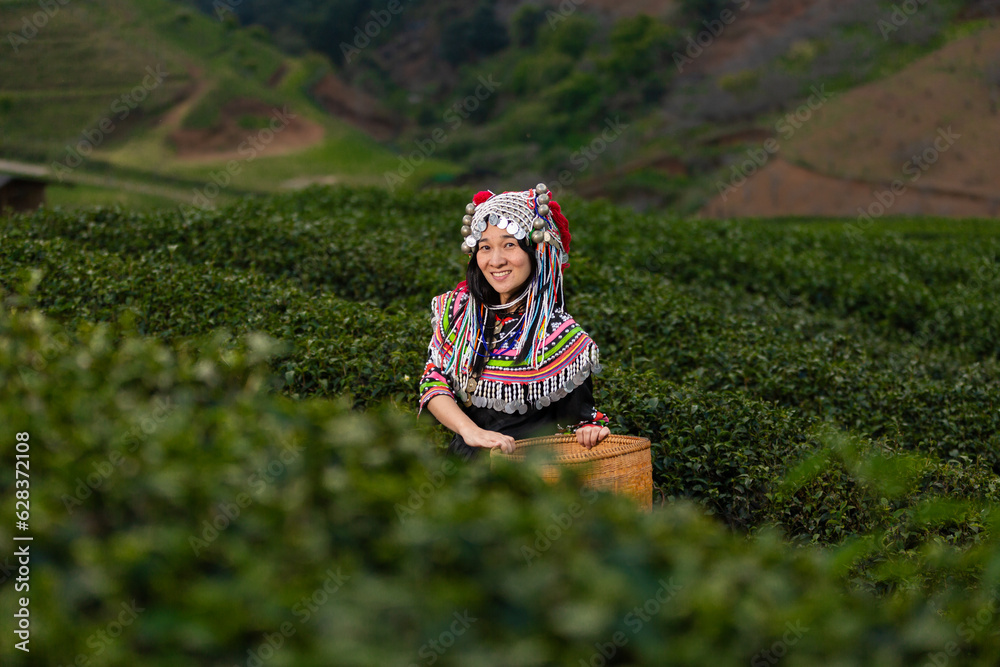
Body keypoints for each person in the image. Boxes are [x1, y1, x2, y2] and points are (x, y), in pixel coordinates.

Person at [416, 184, 611, 460]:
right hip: (460, 470)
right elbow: (433, 381)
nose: (496, 261)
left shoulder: (562, 336)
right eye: (485, 247)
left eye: (509, 244)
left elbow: (582, 419)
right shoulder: (459, 311)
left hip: (524, 481)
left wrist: (591, 430)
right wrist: (471, 431)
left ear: (537, 253)